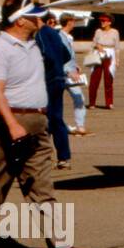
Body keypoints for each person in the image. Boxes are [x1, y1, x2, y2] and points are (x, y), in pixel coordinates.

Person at [0, 0, 89, 248]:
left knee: (42, 186)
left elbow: (60, 49)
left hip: (37, 123)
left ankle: (61, 247)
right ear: (19, 20)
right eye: (34, 15)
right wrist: (12, 125)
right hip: (9, 122)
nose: (41, 19)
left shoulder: (35, 44)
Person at [35, 14, 74, 170]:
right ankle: (63, 157)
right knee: (56, 119)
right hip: (58, 79)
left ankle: (43, 155)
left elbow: (45, 56)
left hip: (49, 81)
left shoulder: (41, 34)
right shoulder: (54, 33)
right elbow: (66, 54)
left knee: (44, 119)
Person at [57, 15, 88, 136]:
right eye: (74, 21)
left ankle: (80, 126)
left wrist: (75, 66)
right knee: (56, 102)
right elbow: (59, 56)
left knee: (79, 98)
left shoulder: (68, 37)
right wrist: (68, 71)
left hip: (71, 73)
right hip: (63, 74)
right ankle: (60, 126)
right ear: (69, 22)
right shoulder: (60, 37)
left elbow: (69, 56)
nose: (75, 23)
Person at [87, 14, 119, 109]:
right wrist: (96, 47)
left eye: (104, 21)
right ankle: (92, 103)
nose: (102, 22)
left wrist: (117, 60)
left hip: (109, 55)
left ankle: (109, 103)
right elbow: (93, 44)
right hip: (98, 55)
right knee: (94, 80)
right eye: (101, 21)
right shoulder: (98, 31)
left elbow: (117, 47)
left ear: (109, 22)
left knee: (108, 79)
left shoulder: (115, 32)